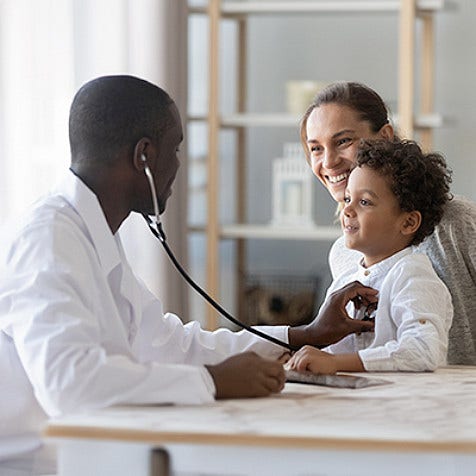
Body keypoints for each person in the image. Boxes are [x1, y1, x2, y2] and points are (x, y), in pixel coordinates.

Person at [0, 75, 377, 474]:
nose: (179, 165)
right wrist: (212, 381)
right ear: (144, 156)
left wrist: (304, 334)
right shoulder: (47, 239)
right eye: (176, 149)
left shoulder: (93, 235)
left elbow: (168, 343)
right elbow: (69, 384)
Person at [299, 81, 476, 366]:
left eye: (343, 141)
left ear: (384, 137)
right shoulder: (345, 254)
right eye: (316, 149)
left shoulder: (458, 224)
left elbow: (419, 350)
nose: (329, 162)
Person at [287, 139, 453, 374]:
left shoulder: (413, 276)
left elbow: (422, 351)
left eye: (364, 202)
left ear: (408, 222)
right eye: (347, 199)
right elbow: (330, 353)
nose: (347, 210)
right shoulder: (344, 282)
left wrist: (335, 363)